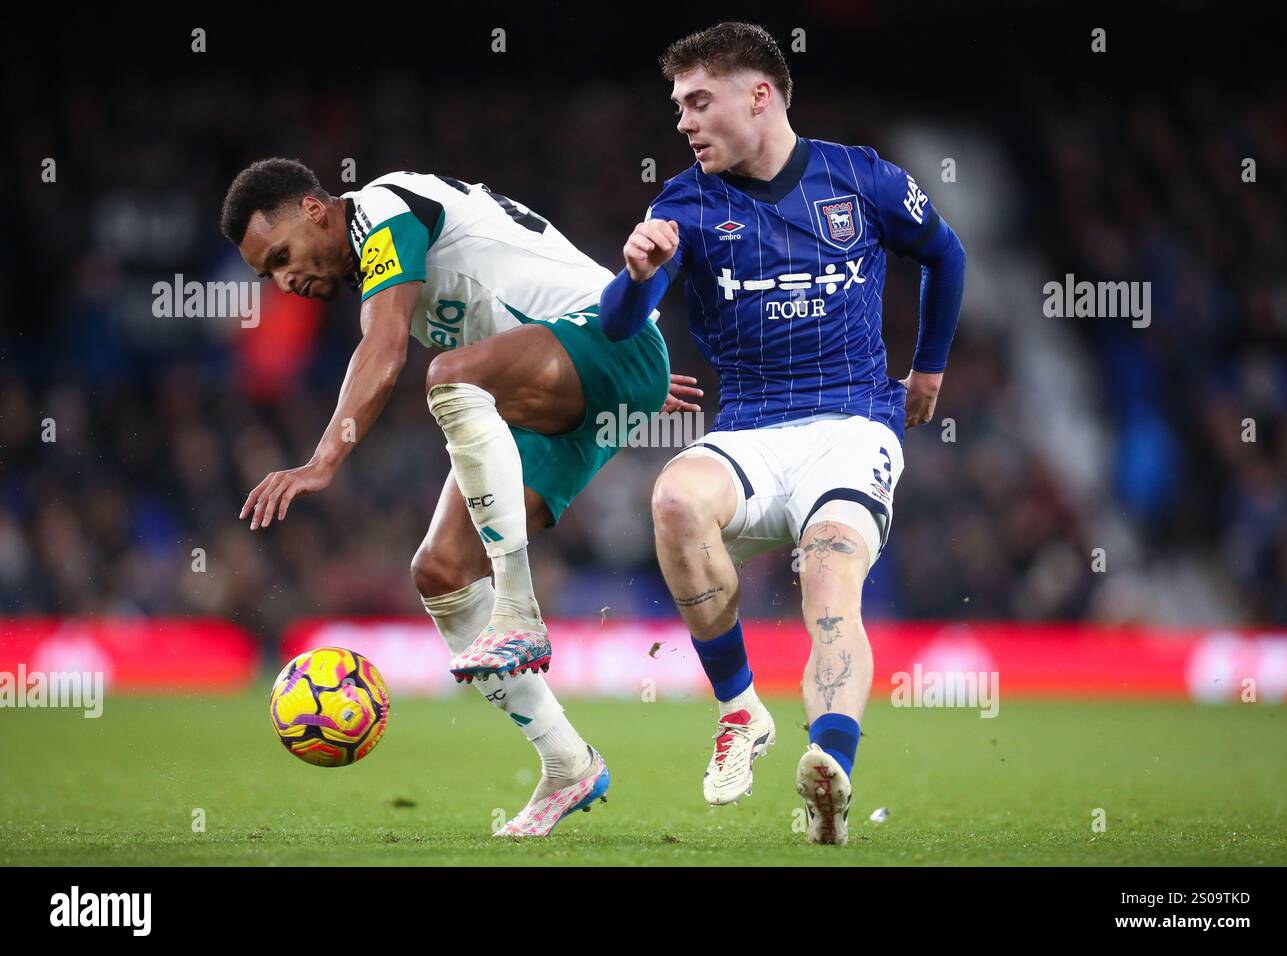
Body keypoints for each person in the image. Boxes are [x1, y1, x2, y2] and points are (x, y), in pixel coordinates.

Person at [220, 160, 700, 836]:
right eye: (266, 274)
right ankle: (567, 763)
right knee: (440, 572)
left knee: (447, 375)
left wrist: (322, 461)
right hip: (569, 380)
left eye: (280, 256)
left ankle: (516, 610)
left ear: (315, 209)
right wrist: (606, 388)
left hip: (600, 341)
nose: (284, 280)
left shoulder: (383, 210)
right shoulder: (376, 264)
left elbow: (385, 348)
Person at [598, 22, 966, 844]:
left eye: (698, 102)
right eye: (678, 107)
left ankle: (829, 769)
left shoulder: (858, 177)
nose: (684, 124)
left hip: (850, 423)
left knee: (828, 569)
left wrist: (930, 369)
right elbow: (619, 329)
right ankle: (740, 711)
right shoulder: (684, 203)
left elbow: (947, 255)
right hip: (753, 429)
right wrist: (634, 276)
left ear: (757, 95)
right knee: (674, 501)